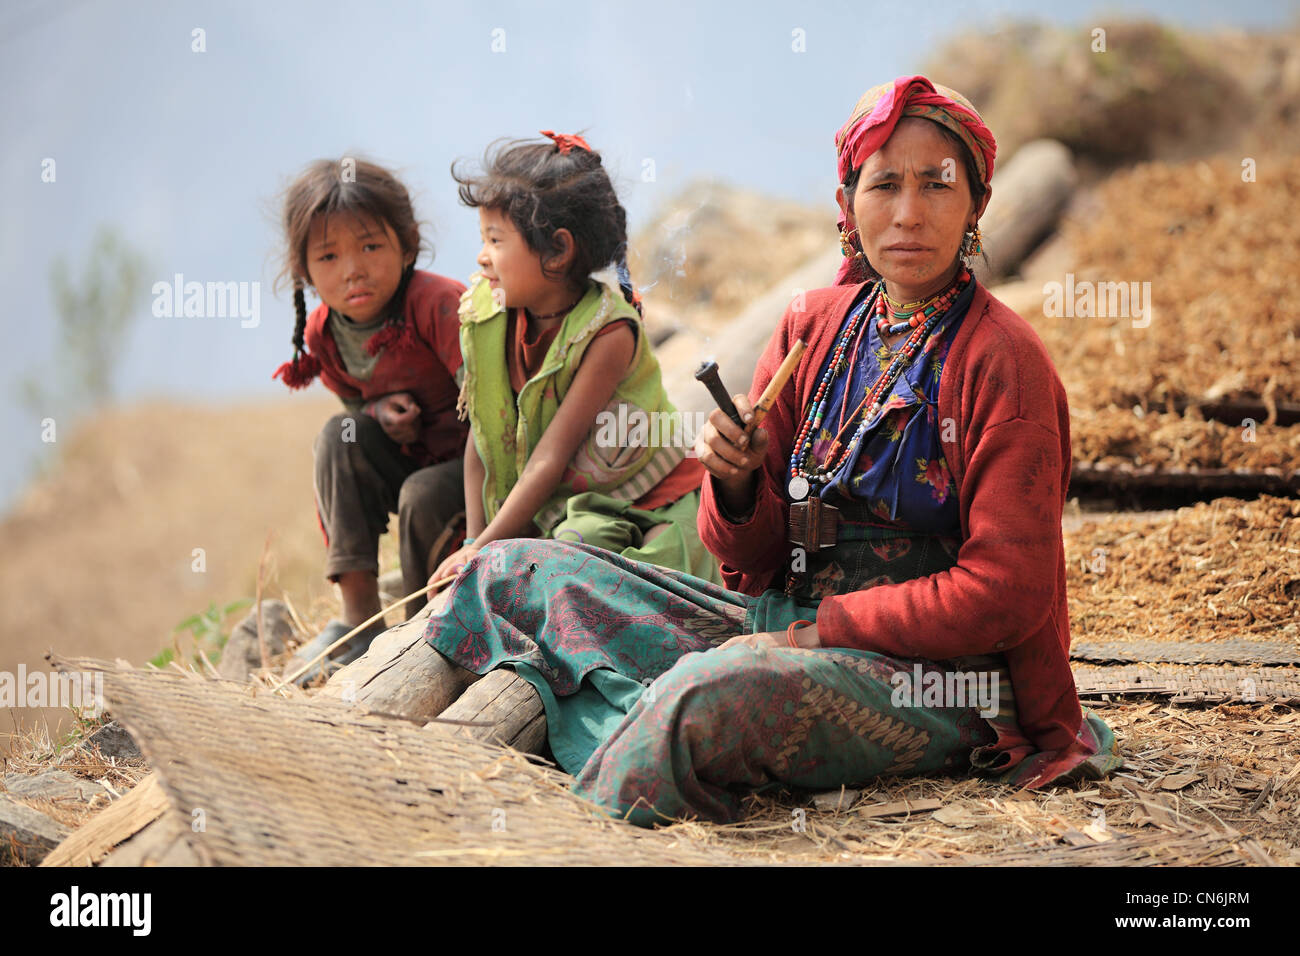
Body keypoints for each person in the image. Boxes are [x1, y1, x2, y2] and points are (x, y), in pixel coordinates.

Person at [421, 78, 1120, 826]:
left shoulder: (1003, 360)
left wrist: (827, 631)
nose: (909, 213)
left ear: (976, 203)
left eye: (937, 185)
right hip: (780, 625)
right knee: (512, 571)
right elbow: (750, 559)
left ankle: (596, 792)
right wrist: (737, 484)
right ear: (847, 204)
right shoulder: (813, 326)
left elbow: (1005, 595)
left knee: (709, 692)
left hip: (938, 681)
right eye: (884, 184)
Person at [427, 131, 719, 589]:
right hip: (572, 503)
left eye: (496, 240)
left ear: (558, 251)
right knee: (559, 548)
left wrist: (483, 547)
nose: (482, 257)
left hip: (649, 491)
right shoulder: (486, 315)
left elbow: (549, 457)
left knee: (591, 568)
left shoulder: (608, 332)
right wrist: (473, 540)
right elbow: (483, 437)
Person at [273, 158, 469, 682]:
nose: (352, 269)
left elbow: (498, 409)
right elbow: (354, 412)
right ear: (304, 270)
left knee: (422, 494)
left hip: (481, 470)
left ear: (406, 245)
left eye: (370, 246)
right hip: (410, 462)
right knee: (339, 437)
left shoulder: (439, 304)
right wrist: (376, 414)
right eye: (329, 255)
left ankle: (418, 626)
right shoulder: (323, 334)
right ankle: (358, 618)